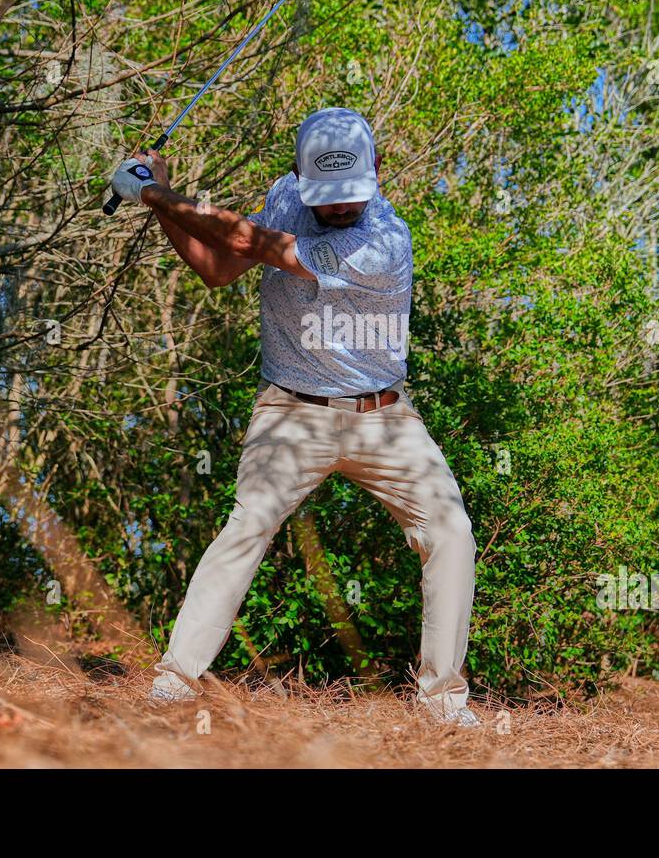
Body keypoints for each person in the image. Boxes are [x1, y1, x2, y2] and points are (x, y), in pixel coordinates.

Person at [109, 107, 479, 726]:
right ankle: (175, 679)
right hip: (289, 412)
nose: (340, 209)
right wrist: (159, 202)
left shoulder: (385, 241)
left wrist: (152, 190)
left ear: (378, 172)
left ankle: (442, 700)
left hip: (383, 418)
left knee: (451, 533)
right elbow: (218, 267)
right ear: (299, 179)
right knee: (248, 523)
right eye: (326, 198)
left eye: (351, 196)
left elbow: (249, 243)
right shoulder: (284, 196)